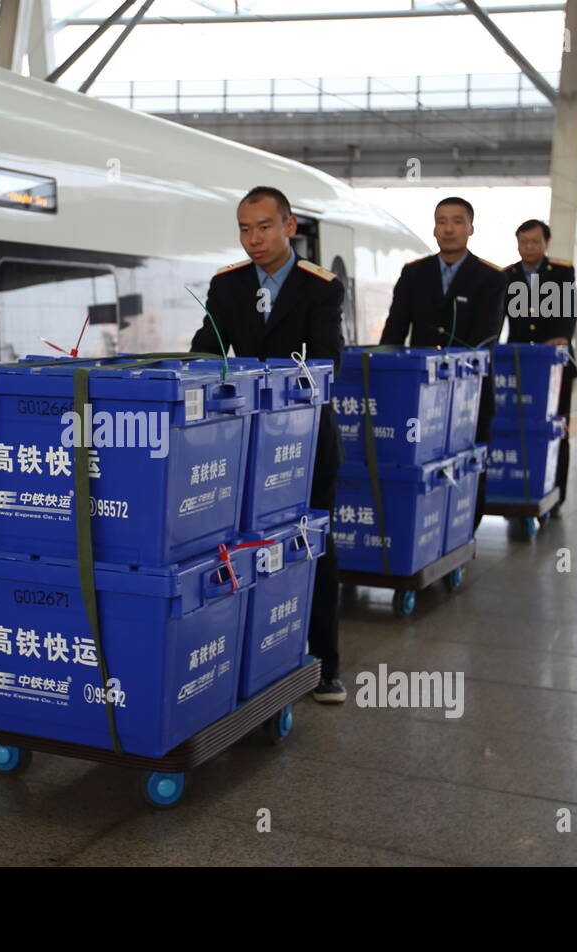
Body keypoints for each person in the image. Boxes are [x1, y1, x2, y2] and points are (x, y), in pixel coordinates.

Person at [189, 185, 348, 704]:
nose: (253, 239)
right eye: (244, 228)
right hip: (241, 451)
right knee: (239, 553)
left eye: (263, 227)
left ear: (289, 227)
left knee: (313, 548)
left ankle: (324, 663)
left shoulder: (320, 287)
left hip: (303, 446)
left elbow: (327, 362)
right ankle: (248, 659)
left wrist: (263, 385)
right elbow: (206, 353)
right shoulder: (227, 286)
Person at [379, 196, 506, 529]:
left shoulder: (491, 278)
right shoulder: (413, 273)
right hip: (420, 393)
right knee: (421, 465)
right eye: (441, 221)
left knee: (468, 463)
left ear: (471, 228)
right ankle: (423, 530)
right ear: (434, 228)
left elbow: (485, 338)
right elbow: (395, 330)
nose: (448, 229)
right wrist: (382, 376)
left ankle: (465, 530)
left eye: (457, 221)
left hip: (470, 391)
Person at [502, 218, 577, 516]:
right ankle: (521, 488)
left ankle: (556, 494)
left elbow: (569, 310)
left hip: (555, 367)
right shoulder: (506, 275)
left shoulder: (561, 272)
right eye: (523, 242)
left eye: (534, 241)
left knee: (557, 430)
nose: (529, 247)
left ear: (546, 243)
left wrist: (561, 338)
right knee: (519, 430)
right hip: (520, 367)